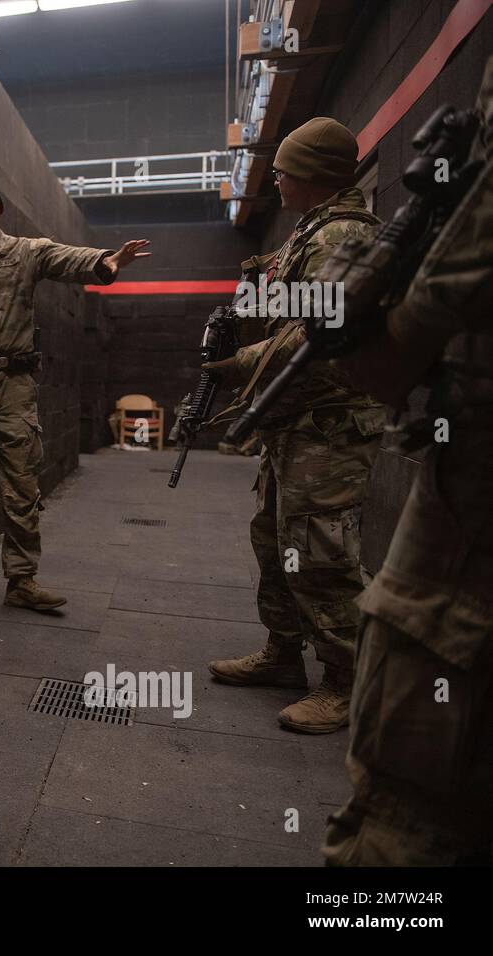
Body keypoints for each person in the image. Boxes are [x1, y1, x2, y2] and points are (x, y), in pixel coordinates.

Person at [322, 55, 493, 864]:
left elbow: (382, 346)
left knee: (408, 817)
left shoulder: (342, 234)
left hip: (469, 500)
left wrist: (396, 333)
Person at [204, 118, 384, 734]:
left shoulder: (339, 236)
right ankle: (284, 655)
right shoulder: (308, 231)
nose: (276, 177)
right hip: (297, 416)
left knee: (321, 550)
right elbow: (285, 315)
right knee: (273, 537)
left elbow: (316, 336)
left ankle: (344, 680)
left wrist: (241, 365)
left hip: (328, 423)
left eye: (284, 169)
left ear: (315, 174)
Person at [0, 171, 149, 610]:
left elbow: (68, 259)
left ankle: (22, 579)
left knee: (21, 483)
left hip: (13, 384)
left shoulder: (26, 252)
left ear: (0, 208)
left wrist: (107, 262)